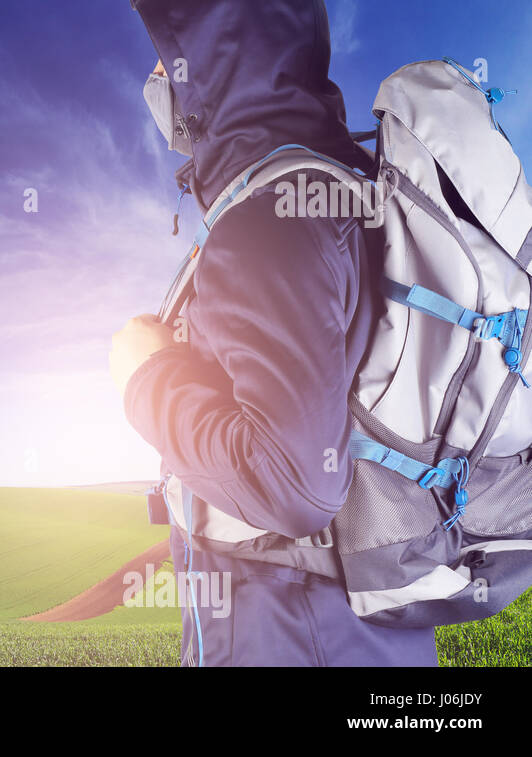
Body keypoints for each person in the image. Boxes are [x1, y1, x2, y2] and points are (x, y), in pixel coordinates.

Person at [109, 0, 438, 666]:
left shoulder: (265, 215)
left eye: (169, 53)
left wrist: (145, 377)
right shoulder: (349, 187)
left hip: (291, 633)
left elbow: (295, 484)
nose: (159, 76)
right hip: (365, 635)